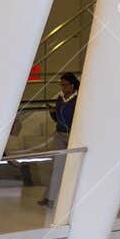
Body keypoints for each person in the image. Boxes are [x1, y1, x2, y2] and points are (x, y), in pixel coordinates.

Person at [40, 72, 79, 209]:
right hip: (60, 134)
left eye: (65, 85)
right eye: (61, 85)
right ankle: (49, 198)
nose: (62, 87)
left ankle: (71, 198)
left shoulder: (78, 98)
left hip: (74, 136)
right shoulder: (60, 98)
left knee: (73, 167)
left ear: (72, 85)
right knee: (57, 165)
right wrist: (53, 114)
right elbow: (58, 119)